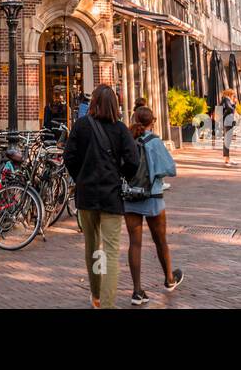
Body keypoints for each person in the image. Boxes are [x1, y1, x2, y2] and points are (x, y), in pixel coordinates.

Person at [63, 84, 140, 309]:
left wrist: (81, 177)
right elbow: (133, 161)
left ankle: (96, 297)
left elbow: (69, 156)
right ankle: (107, 304)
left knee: (92, 248)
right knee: (111, 251)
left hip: (86, 196)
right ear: (115, 104)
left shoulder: (81, 126)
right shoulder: (120, 129)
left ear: (93, 102)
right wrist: (121, 175)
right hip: (111, 195)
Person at [122, 106, 183, 305]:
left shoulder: (128, 140)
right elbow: (170, 169)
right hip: (153, 196)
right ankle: (169, 279)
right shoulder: (155, 142)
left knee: (135, 243)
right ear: (152, 122)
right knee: (160, 240)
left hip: (130, 196)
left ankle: (137, 291)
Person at [216, 89, 237, 167]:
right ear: (229, 94)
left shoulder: (224, 100)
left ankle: (227, 158)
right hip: (228, 121)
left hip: (227, 120)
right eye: (233, 95)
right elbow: (230, 109)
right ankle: (227, 159)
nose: (233, 96)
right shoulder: (226, 99)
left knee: (227, 140)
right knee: (227, 140)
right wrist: (234, 104)